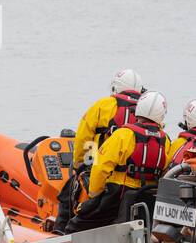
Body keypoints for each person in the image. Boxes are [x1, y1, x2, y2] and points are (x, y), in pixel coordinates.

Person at [64, 91, 176, 233]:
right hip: (147, 198)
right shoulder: (165, 140)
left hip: (117, 195)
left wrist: (93, 196)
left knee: (76, 225)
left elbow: (100, 167)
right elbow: (165, 171)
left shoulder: (124, 134)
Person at [59, 70, 144, 225]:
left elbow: (83, 138)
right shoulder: (146, 112)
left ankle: (59, 231)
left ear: (115, 88)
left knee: (68, 193)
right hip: (138, 183)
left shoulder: (102, 106)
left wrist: (79, 165)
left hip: (102, 173)